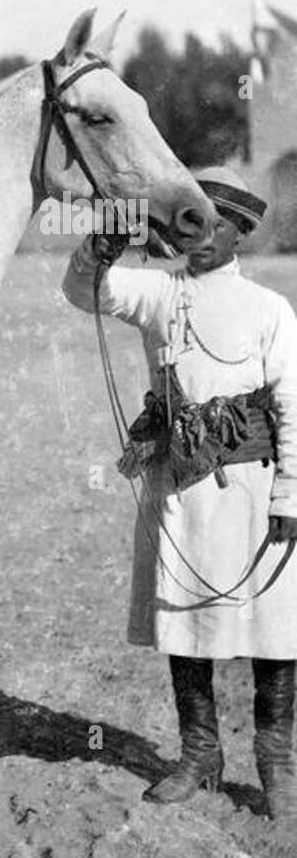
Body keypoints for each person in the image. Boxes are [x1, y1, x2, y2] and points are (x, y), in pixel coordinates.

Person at [62, 167, 297, 823]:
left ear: (238, 232)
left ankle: (276, 762)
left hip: (254, 493)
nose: (191, 234)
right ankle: (199, 755)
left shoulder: (270, 310)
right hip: (180, 492)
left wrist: (291, 497)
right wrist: (103, 242)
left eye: (206, 221)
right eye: (181, 219)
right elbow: (85, 289)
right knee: (185, 620)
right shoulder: (159, 295)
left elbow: (293, 405)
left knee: (275, 630)